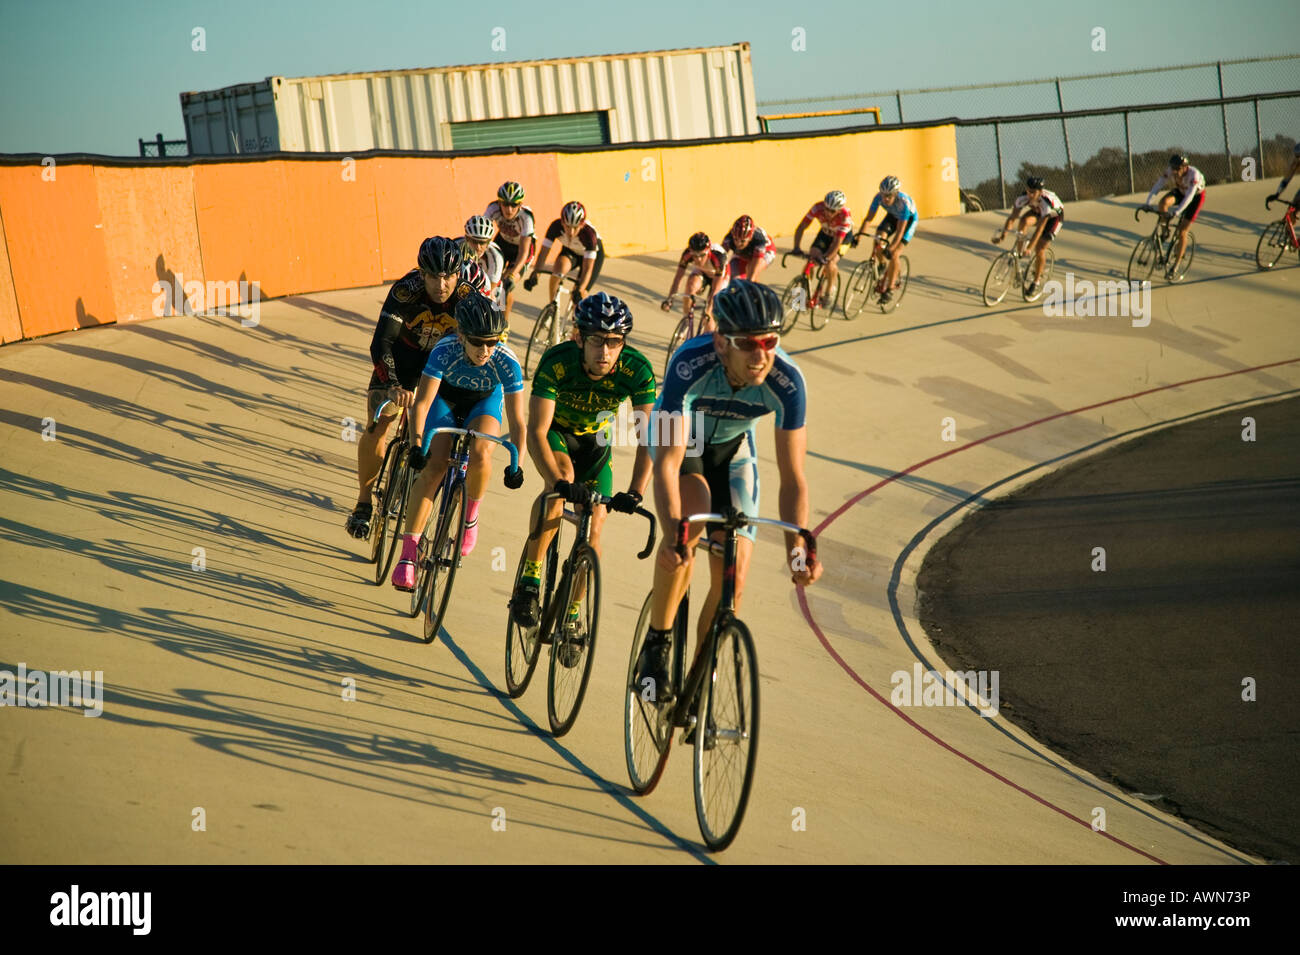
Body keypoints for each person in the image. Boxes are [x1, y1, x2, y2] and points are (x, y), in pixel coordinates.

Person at [635, 280, 823, 700]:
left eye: (770, 341)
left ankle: (698, 682)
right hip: (686, 448)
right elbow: (666, 463)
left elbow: (793, 478)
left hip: (735, 452)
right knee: (692, 523)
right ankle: (657, 643)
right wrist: (672, 535)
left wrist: (798, 549)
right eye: (748, 344)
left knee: (733, 581)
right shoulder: (690, 363)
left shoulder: (788, 382)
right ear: (721, 342)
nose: (761, 355)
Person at [508, 293, 657, 658]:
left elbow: (650, 439)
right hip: (557, 436)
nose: (604, 352)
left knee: (595, 527)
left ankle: (573, 613)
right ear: (578, 336)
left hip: (596, 447)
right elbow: (537, 431)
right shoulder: (558, 362)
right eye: (596, 340)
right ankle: (531, 577)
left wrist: (636, 492)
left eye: (614, 342)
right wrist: (556, 483)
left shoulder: (637, 369)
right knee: (561, 483)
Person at [391, 295, 526, 590]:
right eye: (478, 342)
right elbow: (423, 404)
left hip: (483, 403)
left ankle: (470, 517)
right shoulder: (444, 350)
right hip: (446, 400)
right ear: (462, 335)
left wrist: (518, 464)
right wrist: (417, 446)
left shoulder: (506, 361)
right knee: (434, 467)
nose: (486, 350)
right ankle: (408, 554)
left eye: (492, 342)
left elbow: (517, 422)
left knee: (480, 453)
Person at [346, 236, 476, 540]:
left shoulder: (469, 298)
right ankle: (364, 502)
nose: (441, 284)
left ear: (459, 274)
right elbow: (382, 342)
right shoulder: (406, 291)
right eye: (433, 275)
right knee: (378, 425)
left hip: (441, 366)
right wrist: (392, 384)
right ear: (422, 273)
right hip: (401, 359)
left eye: (448, 276)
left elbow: (479, 347)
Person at [992, 176, 1064, 297]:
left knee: (1040, 249)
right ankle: (1020, 254)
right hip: (1037, 212)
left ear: (1040, 192)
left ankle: (1036, 282)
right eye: (1028, 191)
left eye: (1033, 192)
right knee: (1023, 222)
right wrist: (1002, 236)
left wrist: (1030, 247)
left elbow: (1040, 229)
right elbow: (1012, 218)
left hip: (1053, 218)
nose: (1030, 195)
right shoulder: (1022, 198)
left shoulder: (1046, 202)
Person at [853, 176, 918, 305]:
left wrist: (892, 248)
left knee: (894, 254)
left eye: (889, 196)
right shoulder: (878, 198)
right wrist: (858, 237)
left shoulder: (904, 203)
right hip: (892, 217)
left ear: (895, 194)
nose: (885, 199)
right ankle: (882, 265)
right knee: (878, 240)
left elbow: (900, 232)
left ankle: (890, 289)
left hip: (908, 221)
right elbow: (868, 219)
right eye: (883, 195)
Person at [525, 201, 603, 306]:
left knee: (580, 294)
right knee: (557, 271)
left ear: (582, 224)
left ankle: (578, 319)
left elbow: (588, 269)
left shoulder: (589, 235)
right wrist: (536, 273)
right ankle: (552, 307)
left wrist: (580, 289)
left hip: (592, 257)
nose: (571, 232)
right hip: (571, 251)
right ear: (562, 222)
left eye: (575, 228)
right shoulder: (555, 227)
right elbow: (543, 252)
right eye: (567, 226)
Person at [1141, 154, 1206, 278]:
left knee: (1182, 231)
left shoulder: (1194, 175)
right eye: (1173, 168)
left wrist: (1177, 212)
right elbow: (1158, 185)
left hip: (1195, 197)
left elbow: (1189, 197)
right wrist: (1148, 203)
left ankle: (1175, 268)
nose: (1174, 172)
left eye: (1177, 169)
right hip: (1181, 192)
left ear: (1185, 167)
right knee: (1163, 203)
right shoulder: (1171, 170)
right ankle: (1165, 231)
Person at [485, 181, 536, 322]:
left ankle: (503, 324)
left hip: (521, 250)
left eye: (514, 205)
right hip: (502, 242)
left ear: (520, 205)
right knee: (492, 280)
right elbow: (484, 235)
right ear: (499, 202)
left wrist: (514, 273)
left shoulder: (527, 217)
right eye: (505, 204)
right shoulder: (492, 208)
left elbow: (524, 251)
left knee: (505, 284)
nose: (509, 209)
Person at [791, 190, 853, 308]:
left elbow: (837, 242)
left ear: (839, 210)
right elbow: (801, 226)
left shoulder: (845, 217)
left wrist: (826, 258)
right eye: (826, 208)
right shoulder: (817, 208)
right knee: (811, 258)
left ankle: (829, 291)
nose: (828, 213)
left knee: (830, 263)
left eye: (832, 211)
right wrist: (796, 247)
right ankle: (804, 290)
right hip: (825, 233)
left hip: (842, 238)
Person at [660, 231, 728, 334]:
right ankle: (686, 320)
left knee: (710, 314)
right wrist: (670, 299)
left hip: (720, 277)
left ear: (708, 251)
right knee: (690, 286)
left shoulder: (718, 257)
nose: (698, 259)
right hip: (703, 271)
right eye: (695, 255)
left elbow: (715, 289)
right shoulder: (687, 254)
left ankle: (707, 339)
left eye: (701, 255)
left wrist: (708, 312)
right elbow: (678, 278)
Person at [458, 215, 506, 305]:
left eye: (482, 242)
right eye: (474, 241)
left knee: (494, 301)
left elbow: (491, 288)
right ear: (467, 238)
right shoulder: (456, 246)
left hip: (486, 286)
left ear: (488, 242)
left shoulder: (496, 255)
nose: (478, 247)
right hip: (461, 283)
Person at [721, 215, 776, 283]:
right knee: (732, 277)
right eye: (735, 239)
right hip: (745, 253)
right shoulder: (729, 237)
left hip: (766, 252)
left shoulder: (758, 239)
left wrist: (751, 280)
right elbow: (720, 255)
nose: (738, 243)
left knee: (751, 274)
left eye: (742, 241)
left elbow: (756, 263)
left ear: (750, 238)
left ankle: (756, 292)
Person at [1267, 141, 1300, 209]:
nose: (1298, 159)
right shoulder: (1295, 163)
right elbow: (1285, 180)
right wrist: (1277, 194)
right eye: (1296, 156)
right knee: (1294, 204)